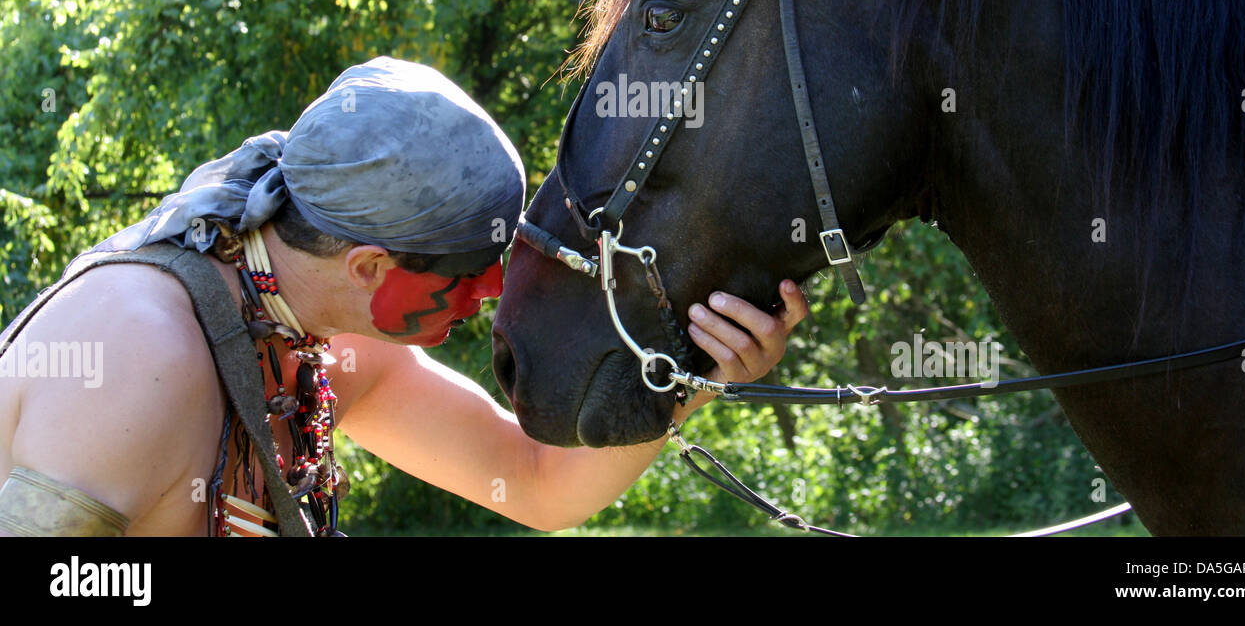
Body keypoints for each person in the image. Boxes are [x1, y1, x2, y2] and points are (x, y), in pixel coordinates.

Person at [0, 56, 806, 536]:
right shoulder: (136, 352)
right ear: (369, 266)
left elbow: (534, 483)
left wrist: (693, 372)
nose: (492, 296)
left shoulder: (324, 342)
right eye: (466, 272)